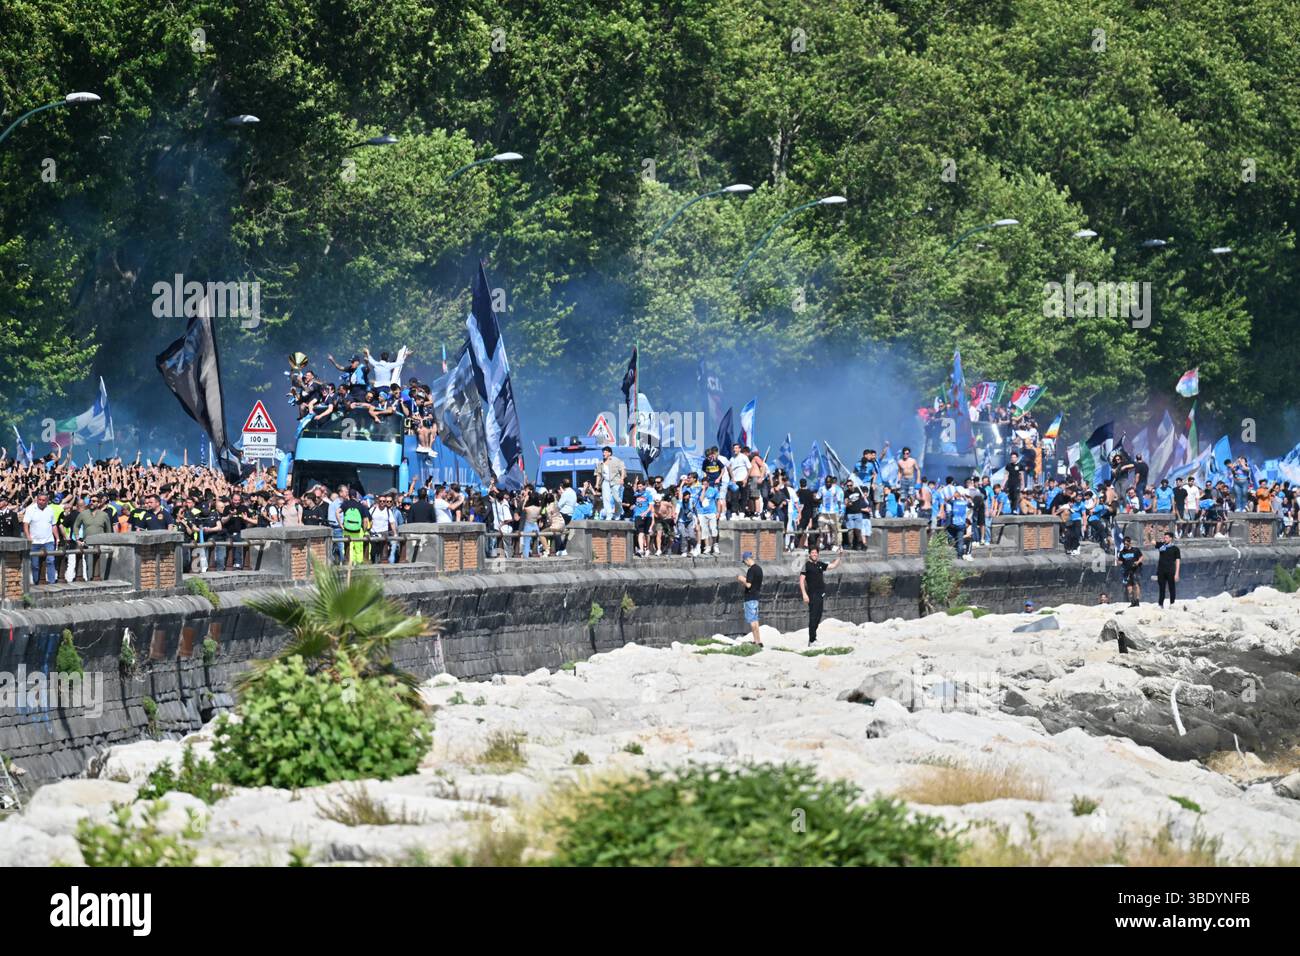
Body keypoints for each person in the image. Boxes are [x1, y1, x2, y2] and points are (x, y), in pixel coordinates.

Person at [799, 546, 841, 646]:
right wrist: (804, 594)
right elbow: (801, 581)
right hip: (812, 595)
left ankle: (813, 638)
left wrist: (839, 556)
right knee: (813, 617)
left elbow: (833, 566)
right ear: (809, 554)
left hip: (820, 594)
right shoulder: (806, 565)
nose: (814, 554)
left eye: (816, 553)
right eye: (812, 553)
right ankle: (812, 640)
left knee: (818, 617)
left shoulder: (820, 564)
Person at [736, 550, 763, 647]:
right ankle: (758, 641)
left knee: (752, 621)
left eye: (744, 562)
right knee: (755, 620)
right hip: (756, 597)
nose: (745, 564)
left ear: (747, 559)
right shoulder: (759, 569)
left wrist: (741, 579)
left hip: (750, 597)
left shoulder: (751, 570)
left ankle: (756, 642)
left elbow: (748, 585)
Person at [594, 446, 626, 520]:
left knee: (616, 498)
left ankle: (618, 513)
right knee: (606, 499)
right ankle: (609, 514)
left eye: (605, 452)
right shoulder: (600, 462)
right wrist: (597, 484)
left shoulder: (616, 460)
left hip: (615, 481)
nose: (603, 453)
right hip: (605, 481)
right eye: (603, 452)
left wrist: (622, 479)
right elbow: (598, 474)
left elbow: (622, 469)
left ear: (609, 453)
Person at [1116, 535, 1143, 607]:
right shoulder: (1122, 552)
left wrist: (1137, 562)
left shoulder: (1135, 550)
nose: (1125, 545)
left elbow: (1141, 557)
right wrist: (1119, 562)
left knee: (1136, 585)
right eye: (1124, 544)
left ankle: (1137, 600)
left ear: (1129, 543)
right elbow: (1120, 561)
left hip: (1135, 570)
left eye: (1126, 544)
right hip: (1126, 571)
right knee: (1129, 587)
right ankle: (1132, 601)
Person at [1156, 530, 1180, 608]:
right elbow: (1152, 542)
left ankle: (1172, 603)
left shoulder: (1175, 549)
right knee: (1161, 588)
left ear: (1171, 538)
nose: (1165, 539)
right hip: (1161, 571)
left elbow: (1178, 561)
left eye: (1166, 537)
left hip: (1170, 571)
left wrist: (1177, 573)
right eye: (1164, 537)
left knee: (1171, 588)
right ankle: (1160, 604)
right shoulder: (1161, 546)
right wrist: (1150, 534)